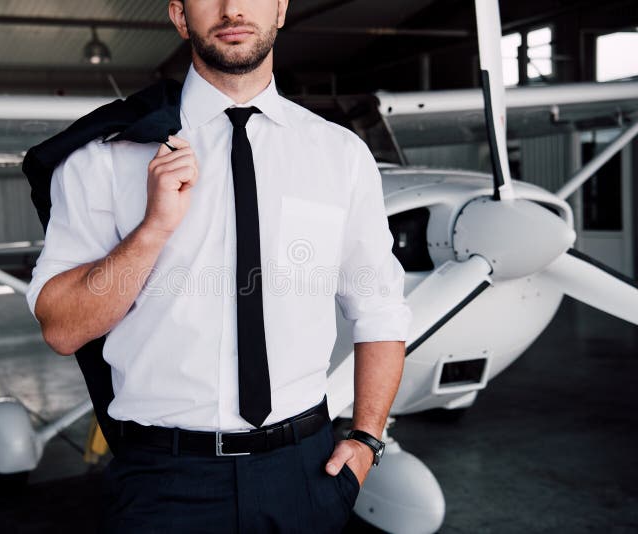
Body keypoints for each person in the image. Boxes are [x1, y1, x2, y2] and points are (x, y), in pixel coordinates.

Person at [26, 0, 411, 532]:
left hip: (305, 475)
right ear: (180, 16)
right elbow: (62, 328)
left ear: (280, 9)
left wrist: (368, 439)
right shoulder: (105, 157)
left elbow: (380, 308)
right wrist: (153, 228)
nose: (232, 8)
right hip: (163, 482)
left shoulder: (340, 155)